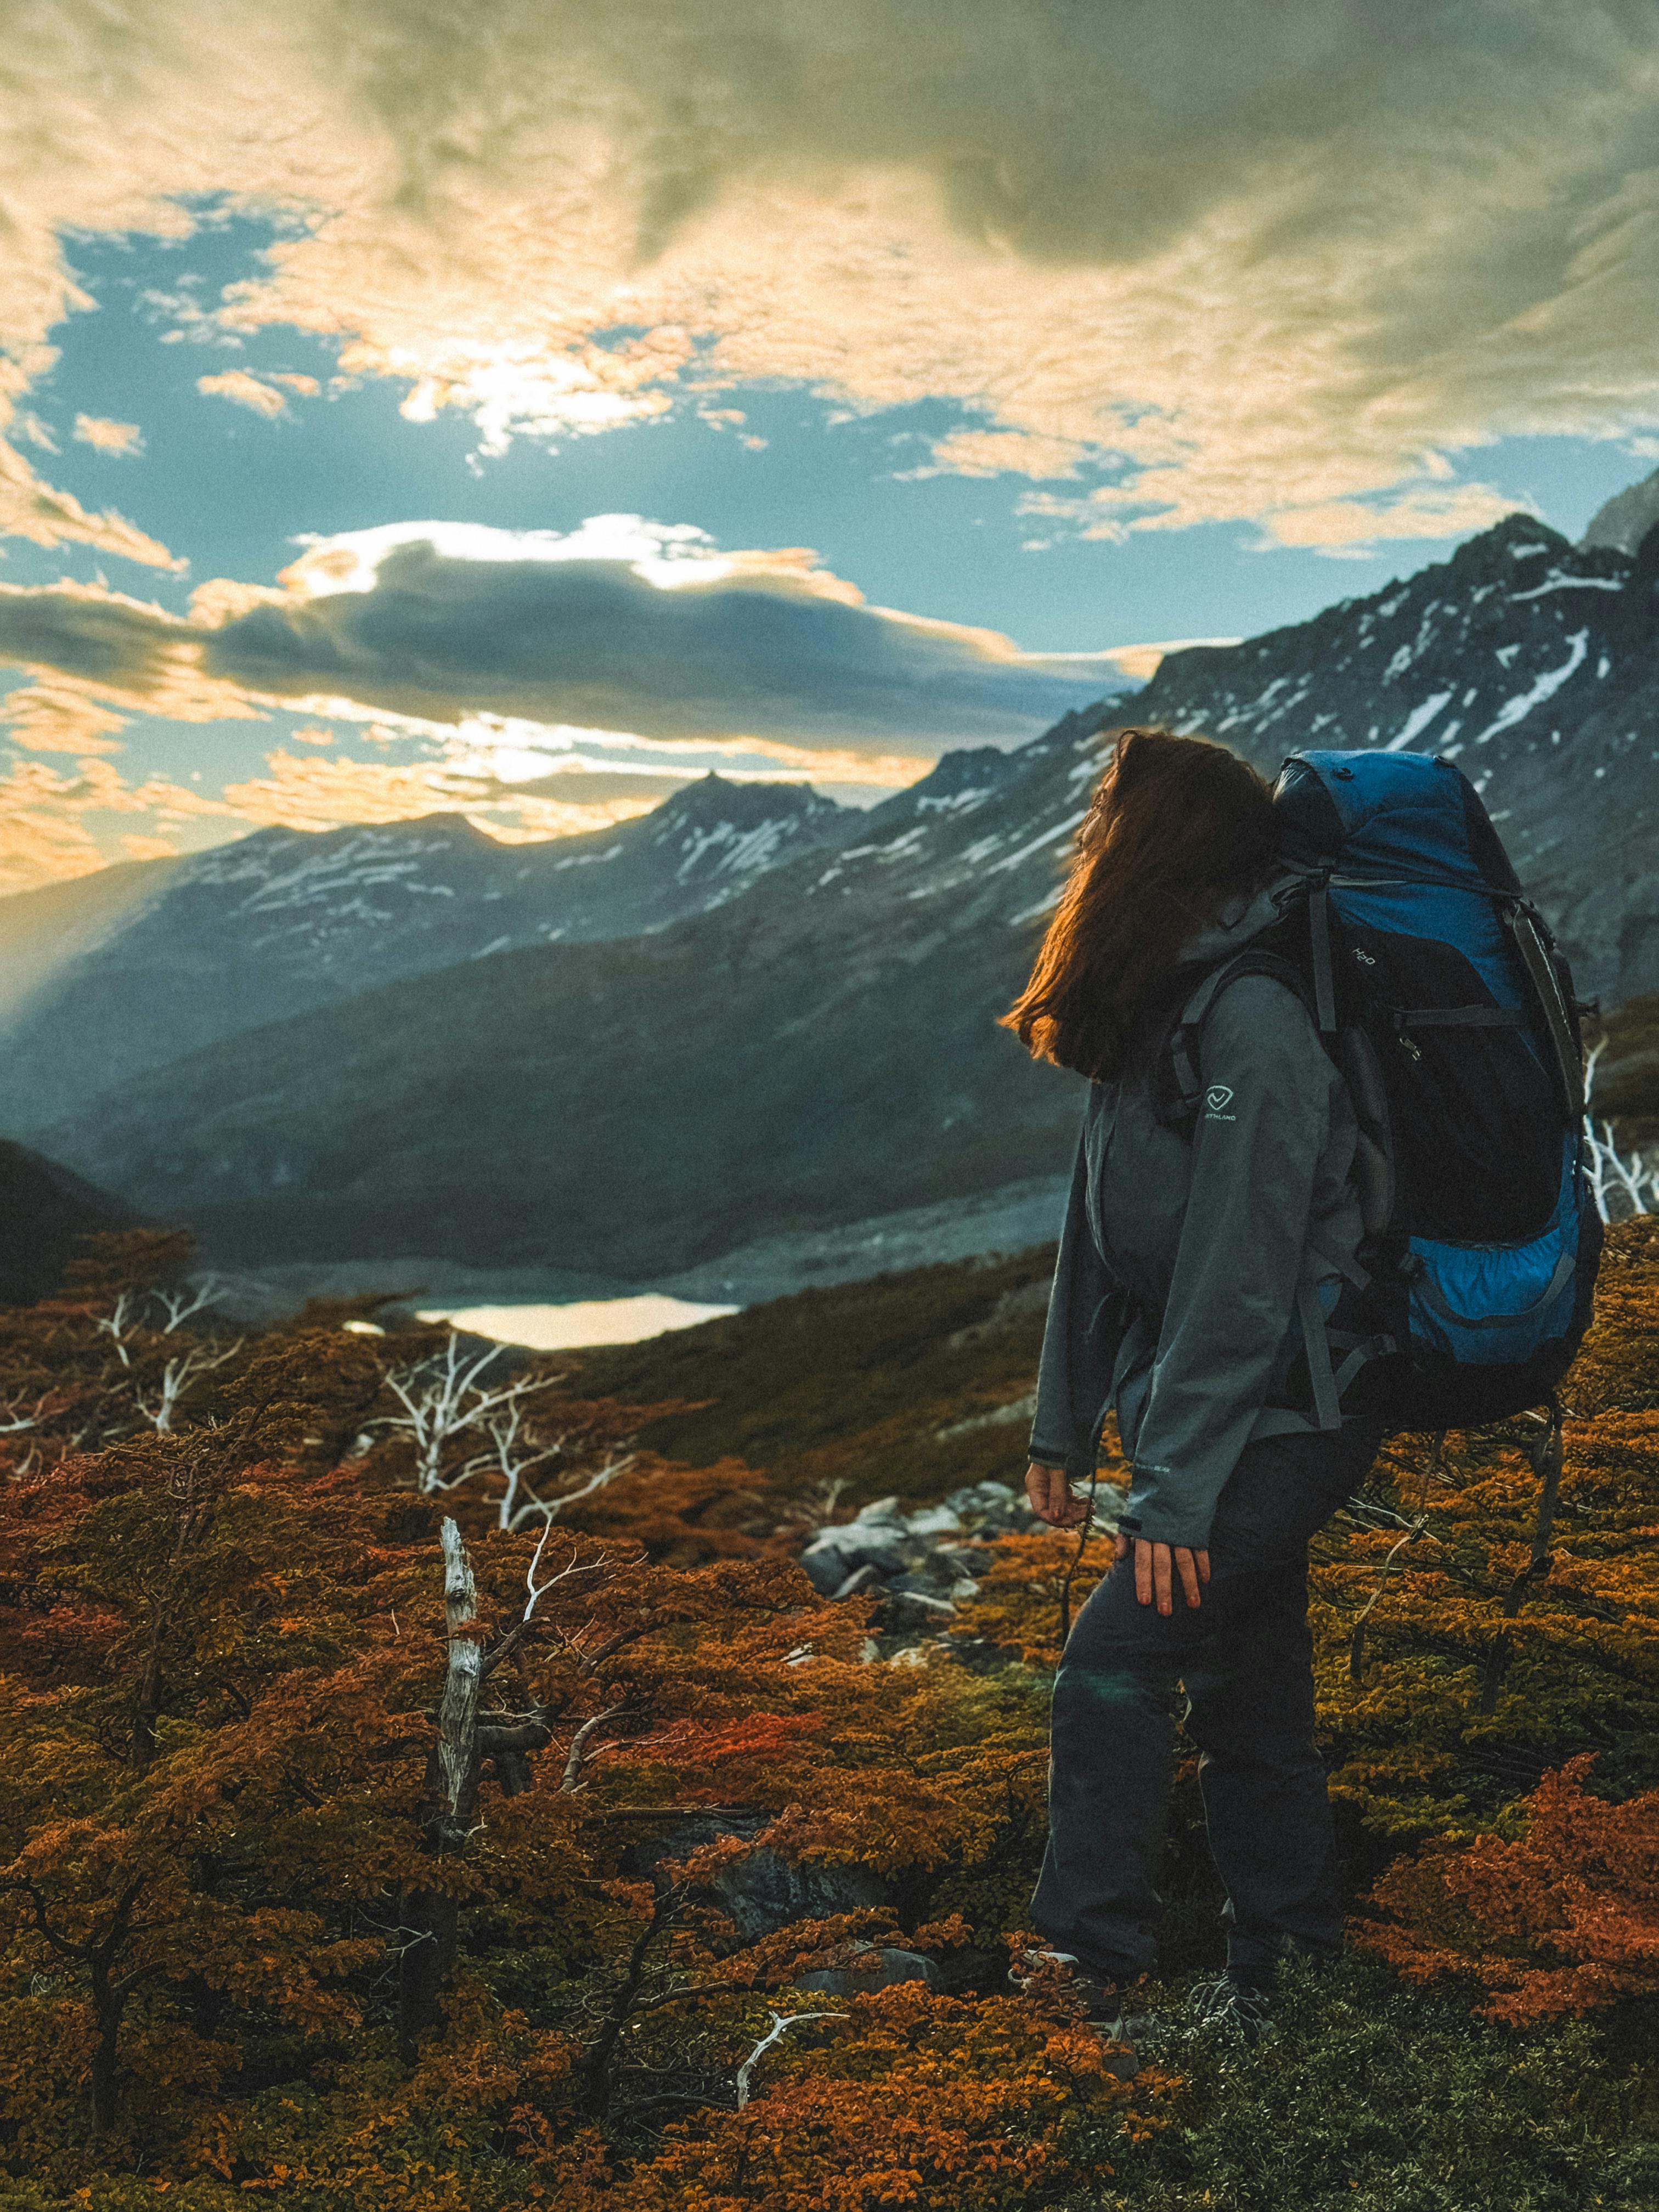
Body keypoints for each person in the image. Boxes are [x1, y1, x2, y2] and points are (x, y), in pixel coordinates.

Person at [998, 725, 1387, 2051]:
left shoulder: (1255, 1017)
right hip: (1233, 1414)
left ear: (1163, 844)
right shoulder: (1158, 997)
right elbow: (1097, 1227)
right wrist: (1062, 1422)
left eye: (1108, 822)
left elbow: (1241, 1271)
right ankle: (1292, 1987)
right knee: (1248, 1698)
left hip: (1299, 1413)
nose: (1090, 844)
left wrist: (1171, 1495)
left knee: (1112, 1665)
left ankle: (1083, 1972)